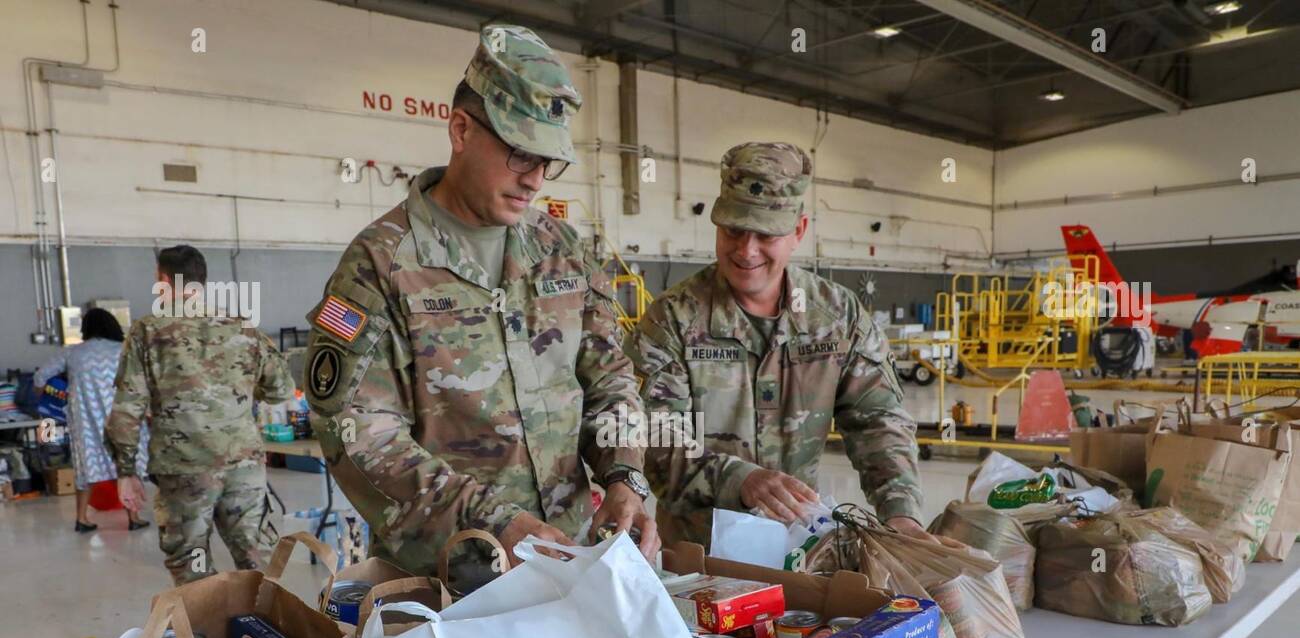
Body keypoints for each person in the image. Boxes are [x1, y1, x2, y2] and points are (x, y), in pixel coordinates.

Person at [302, 25, 657, 593]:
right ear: (461, 128)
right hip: (443, 578)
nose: (536, 179)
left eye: (549, 162)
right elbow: (360, 434)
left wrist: (625, 475)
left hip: (568, 558)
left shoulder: (563, 250)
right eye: (521, 153)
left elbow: (609, 380)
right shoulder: (381, 264)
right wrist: (492, 520)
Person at [627, 142, 926, 548]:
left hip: (799, 547)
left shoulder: (837, 317)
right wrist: (740, 479)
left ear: (798, 231)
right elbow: (648, 438)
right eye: (733, 229)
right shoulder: (674, 319)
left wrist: (901, 511)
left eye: (766, 233)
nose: (746, 250)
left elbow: (879, 420)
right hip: (699, 557)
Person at [105, 245, 295, 583]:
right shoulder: (244, 328)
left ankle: (207, 634)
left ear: (163, 279)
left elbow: (127, 410)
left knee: (192, 567)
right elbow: (282, 390)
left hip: (183, 470)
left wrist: (125, 471)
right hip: (244, 467)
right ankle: (268, 632)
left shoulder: (147, 332)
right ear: (201, 281)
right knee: (258, 562)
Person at [34, 308, 149, 532]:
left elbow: (40, 376)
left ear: (85, 329)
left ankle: (82, 518)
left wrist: (44, 394)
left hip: (85, 420)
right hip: (121, 417)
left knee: (86, 467)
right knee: (127, 464)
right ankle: (133, 517)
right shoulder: (124, 350)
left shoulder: (73, 353)